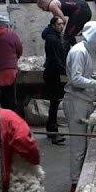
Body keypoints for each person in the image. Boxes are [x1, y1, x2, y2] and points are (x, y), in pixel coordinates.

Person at [63, 21, 96, 192]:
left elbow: (93, 74)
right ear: (94, 35)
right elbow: (76, 79)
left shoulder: (92, 52)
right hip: (76, 101)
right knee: (78, 145)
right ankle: (75, 183)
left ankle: (82, 179)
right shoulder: (79, 52)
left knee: (85, 144)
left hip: (86, 100)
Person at [41, 15, 68, 144]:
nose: (61, 26)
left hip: (53, 72)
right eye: (59, 24)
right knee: (54, 102)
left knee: (54, 102)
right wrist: (65, 71)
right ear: (53, 25)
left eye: (62, 24)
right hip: (52, 73)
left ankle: (51, 128)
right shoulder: (52, 39)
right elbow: (55, 58)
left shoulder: (54, 37)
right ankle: (53, 132)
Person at [0, 13, 24, 114]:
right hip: (9, 69)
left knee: (0, 95)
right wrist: (16, 57)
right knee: (11, 95)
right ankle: (12, 117)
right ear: (6, 25)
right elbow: (19, 49)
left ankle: (1, 115)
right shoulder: (11, 35)